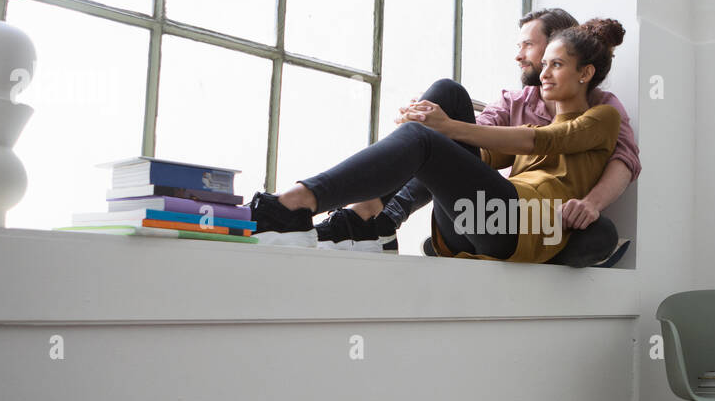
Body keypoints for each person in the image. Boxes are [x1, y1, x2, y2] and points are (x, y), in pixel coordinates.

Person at [248, 19, 627, 266]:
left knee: (425, 139)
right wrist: (431, 118)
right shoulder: (519, 105)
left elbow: (541, 139)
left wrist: (443, 129)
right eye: (543, 64)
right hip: (479, 223)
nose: (543, 72)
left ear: (586, 73)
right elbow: (485, 153)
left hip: (520, 223)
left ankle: (295, 205)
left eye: (555, 65)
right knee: (445, 93)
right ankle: (367, 219)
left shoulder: (603, 117)